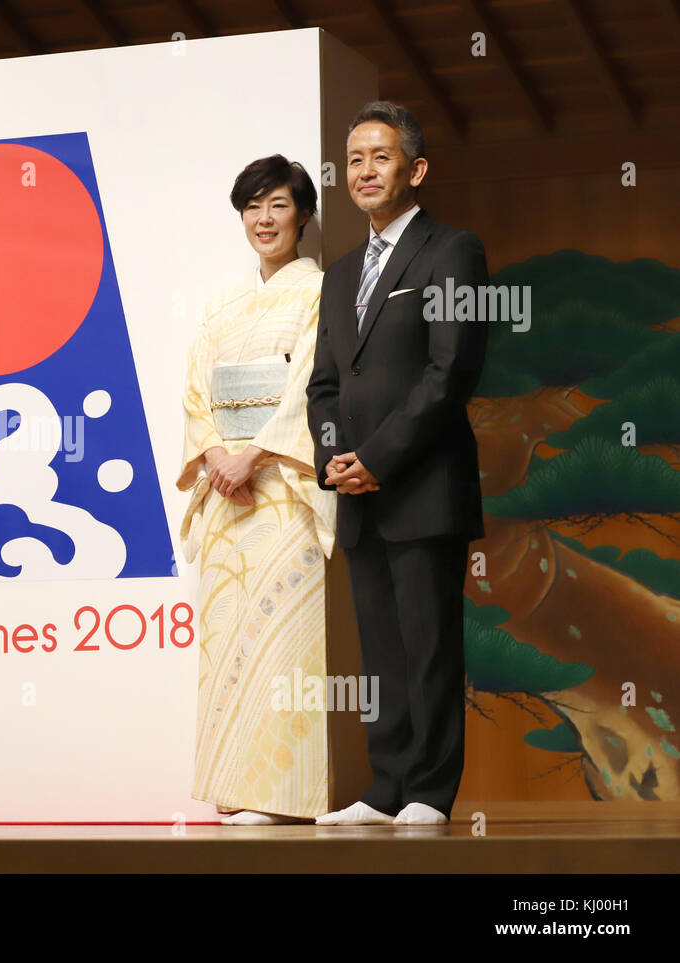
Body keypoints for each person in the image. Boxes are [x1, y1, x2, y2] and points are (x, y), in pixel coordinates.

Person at [306, 101, 488, 826]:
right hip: (358, 492)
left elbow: (451, 371)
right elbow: (324, 382)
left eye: (380, 157)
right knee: (380, 651)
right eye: (354, 159)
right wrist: (332, 458)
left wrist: (377, 456)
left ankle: (429, 791)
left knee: (429, 644)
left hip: (423, 484)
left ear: (414, 169)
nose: (365, 171)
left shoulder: (453, 251)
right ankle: (385, 788)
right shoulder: (340, 271)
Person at [178, 155, 337, 825]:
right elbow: (196, 387)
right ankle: (236, 786)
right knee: (226, 636)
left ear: (302, 214)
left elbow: (309, 381)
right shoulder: (222, 303)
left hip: (281, 487)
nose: (264, 219)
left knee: (287, 636)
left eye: (277, 205)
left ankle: (287, 793)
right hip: (227, 489)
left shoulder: (321, 291)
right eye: (253, 207)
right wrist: (215, 451)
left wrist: (254, 453)